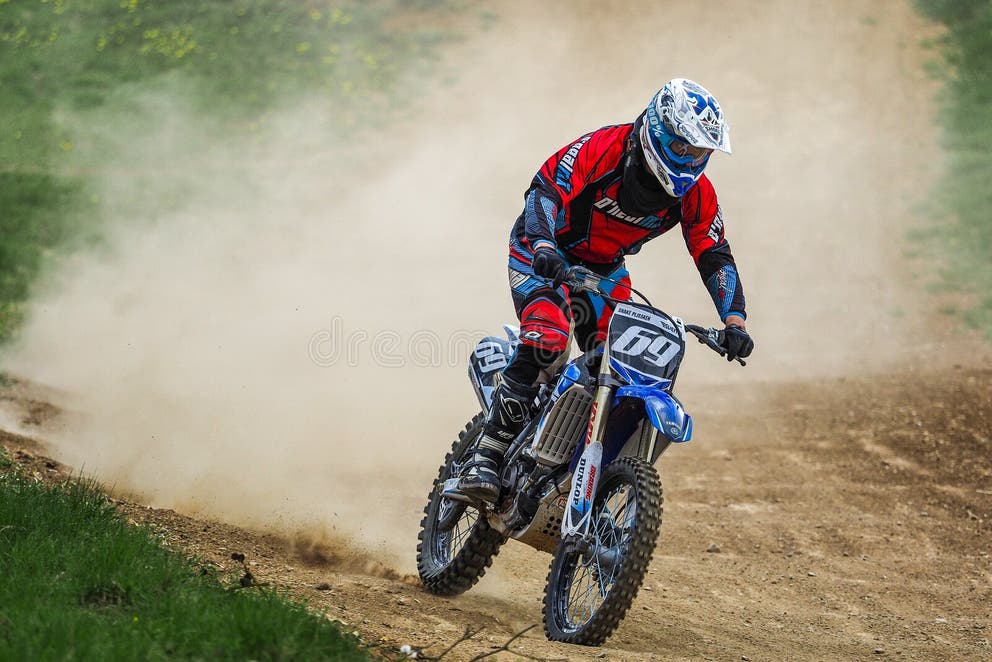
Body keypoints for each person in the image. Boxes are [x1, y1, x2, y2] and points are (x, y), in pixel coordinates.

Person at [451, 78, 754, 504]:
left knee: (622, 364)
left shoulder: (697, 194)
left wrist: (734, 321)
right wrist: (543, 247)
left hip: (604, 271)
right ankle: (487, 453)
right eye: (683, 147)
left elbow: (714, 253)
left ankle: (573, 467)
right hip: (543, 251)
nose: (691, 160)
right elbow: (544, 191)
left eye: (701, 153)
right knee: (548, 335)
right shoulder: (606, 148)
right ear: (658, 131)